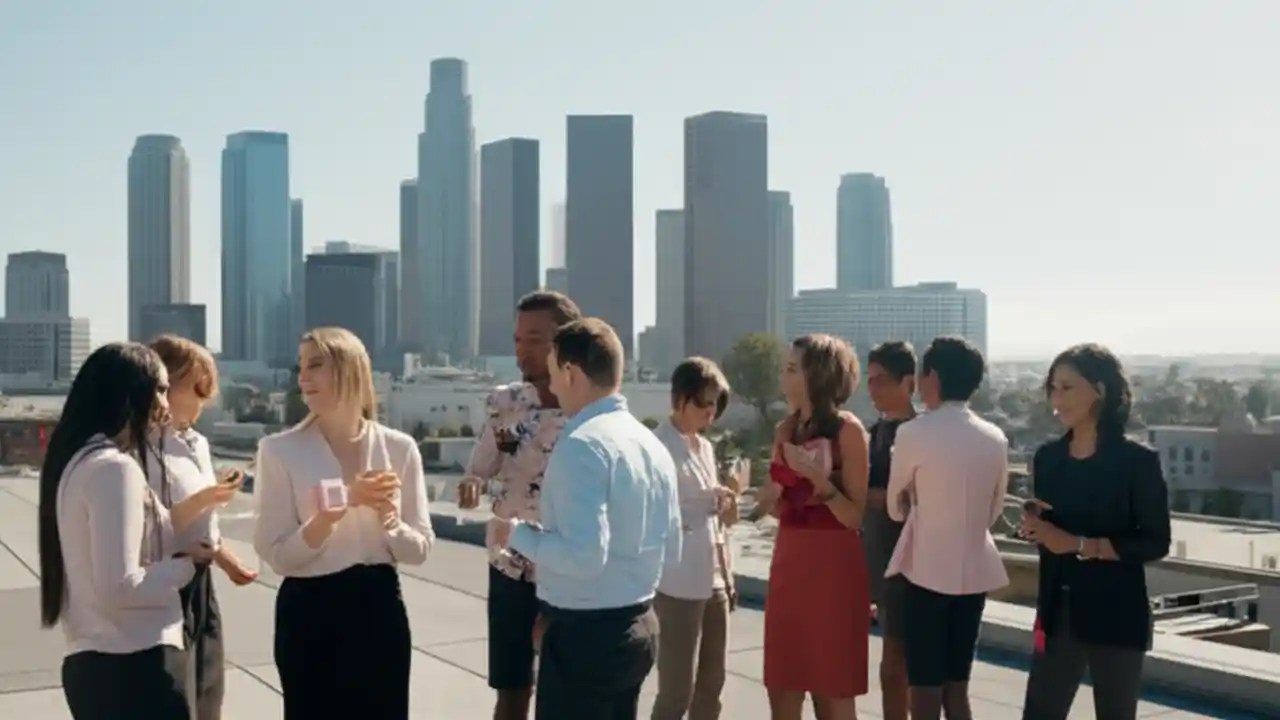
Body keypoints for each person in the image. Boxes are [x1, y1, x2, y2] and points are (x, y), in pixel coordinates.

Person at [487, 317, 681, 720]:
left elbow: (584, 556)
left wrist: (515, 534)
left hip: (587, 639)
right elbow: (673, 546)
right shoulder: (650, 443)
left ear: (572, 373)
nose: (553, 386)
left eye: (556, 372)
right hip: (639, 626)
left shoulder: (581, 445)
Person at [38, 342, 238, 719]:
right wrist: (184, 564)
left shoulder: (77, 462)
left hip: (96, 667)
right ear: (131, 392)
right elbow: (120, 587)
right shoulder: (116, 469)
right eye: (160, 389)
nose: (166, 402)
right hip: (138, 667)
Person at [253, 327, 434, 719]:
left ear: (351, 369)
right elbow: (277, 555)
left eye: (316, 364)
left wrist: (390, 521)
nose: (303, 377)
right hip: (309, 613)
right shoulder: (279, 450)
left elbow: (419, 549)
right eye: (300, 366)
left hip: (379, 610)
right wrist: (341, 505)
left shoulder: (400, 449)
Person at [1019, 344, 1170, 720]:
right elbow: (1050, 540)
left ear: (1100, 390)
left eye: (1067, 387)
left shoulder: (1138, 462)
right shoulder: (1047, 459)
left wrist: (1080, 545)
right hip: (1057, 615)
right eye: (1053, 387)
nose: (1057, 398)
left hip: (1118, 614)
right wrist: (1036, 527)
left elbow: (1156, 541)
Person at [456, 291, 581, 720]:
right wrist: (473, 482)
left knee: (565, 688)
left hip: (567, 565)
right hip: (511, 561)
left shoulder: (588, 409)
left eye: (534, 339)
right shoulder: (503, 402)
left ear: (565, 342)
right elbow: (482, 465)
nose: (521, 350)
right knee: (512, 689)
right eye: (517, 339)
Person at [885, 336, 1009, 720]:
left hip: (925, 573)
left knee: (923, 688)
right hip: (974, 572)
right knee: (958, 687)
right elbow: (994, 511)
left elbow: (894, 507)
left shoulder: (913, 433)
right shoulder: (995, 437)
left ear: (932, 376)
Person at [757, 333, 870, 720]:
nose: (783, 377)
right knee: (782, 686)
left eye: (792, 369)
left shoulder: (849, 431)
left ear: (818, 377)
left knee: (833, 690)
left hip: (834, 570)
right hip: (790, 562)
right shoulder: (784, 430)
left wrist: (820, 483)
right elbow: (780, 510)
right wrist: (769, 496)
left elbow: (854, 517)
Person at [148, 334, 256, 720]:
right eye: (197, 388)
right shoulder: (140, 447)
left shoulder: (197, 443)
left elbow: (199, 522)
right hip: (161, 583)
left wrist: (226, 559)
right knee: (177, 699)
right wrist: (207, 498)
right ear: (166, 384)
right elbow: (148, 525)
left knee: (209, 692)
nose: (203, 400)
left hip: (201, 583)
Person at [651, 357, 738, 720]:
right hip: (676, 581)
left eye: (716, 404)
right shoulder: (657, 446)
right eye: (704, 403)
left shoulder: (704, 447)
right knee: (676, 691)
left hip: (712, 577)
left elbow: (717, 521)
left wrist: (727, 572)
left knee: (711, 685)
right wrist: (707, 501)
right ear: (680, 399)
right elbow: (658, 512)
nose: (710, 413)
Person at [861, 341, 917, 720]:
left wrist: (859, 492)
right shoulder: (874, 431)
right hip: (878, 565)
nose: (873, 388)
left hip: (911, 567)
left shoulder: (921, 434)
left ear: (908, 382)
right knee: (893, 669)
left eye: (881, 380)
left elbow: (910, 500)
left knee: (900, 669)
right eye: (870, 380)